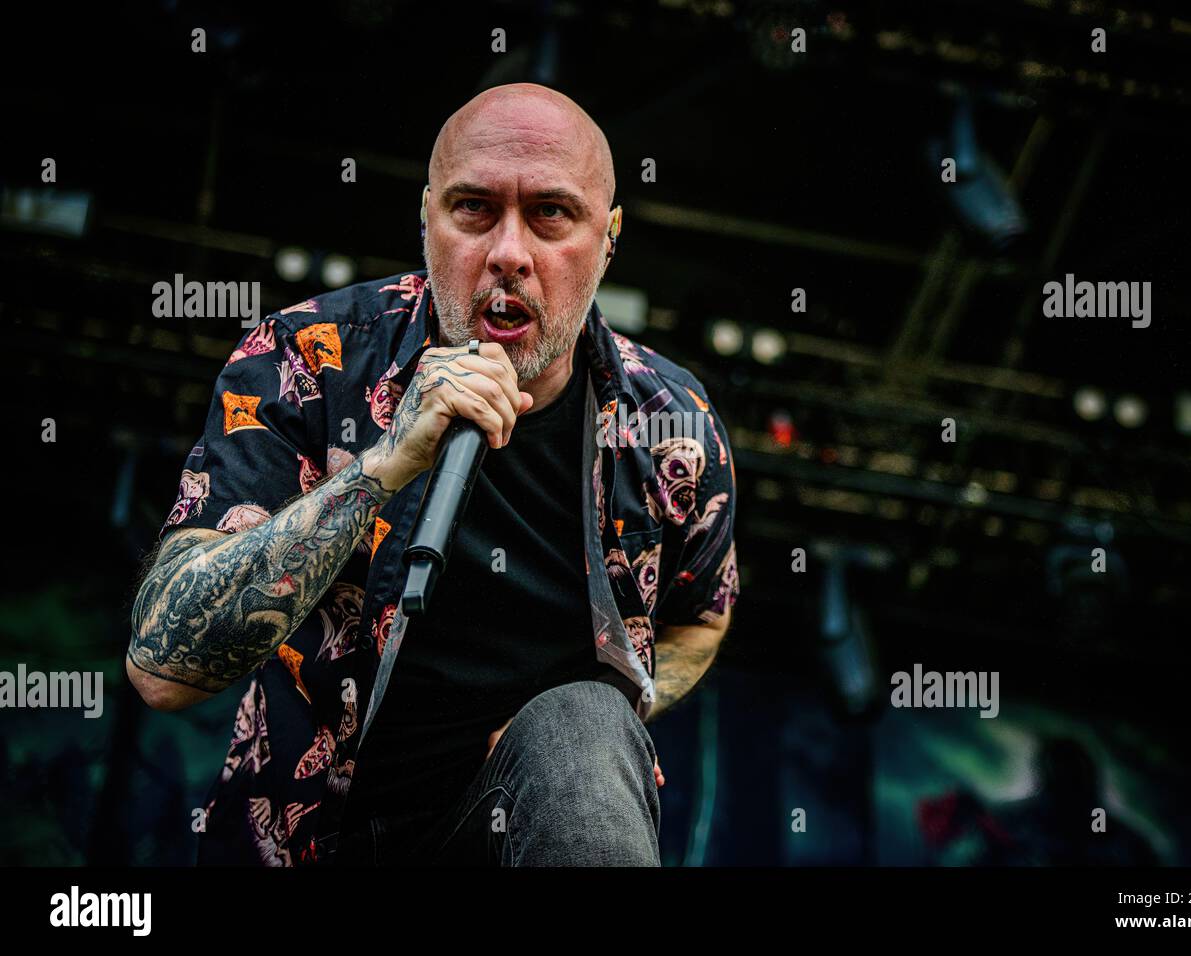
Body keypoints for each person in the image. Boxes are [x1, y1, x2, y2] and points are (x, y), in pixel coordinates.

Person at [126, 83, 739, 866]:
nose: (509, 252)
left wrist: (589, 724)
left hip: (508, 839)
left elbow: (703, 612)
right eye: (474, 209)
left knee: (585, 725)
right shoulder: (311, 361)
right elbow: (161, 668)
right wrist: (385, 466)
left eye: (552, 213)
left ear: (608, 238)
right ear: (427, 220)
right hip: (308, 836)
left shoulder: (672, 429)